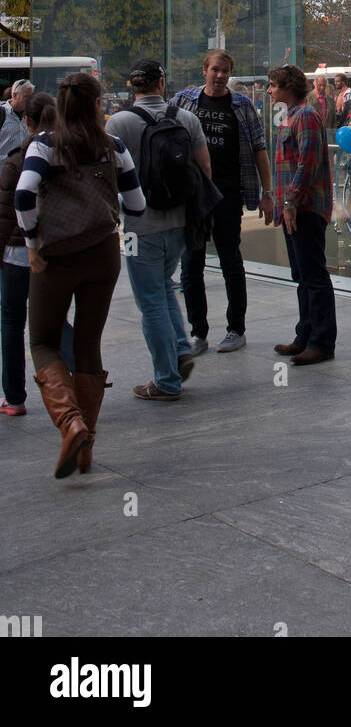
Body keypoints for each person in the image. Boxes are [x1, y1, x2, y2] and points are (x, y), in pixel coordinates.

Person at [14, 74, 146, 477]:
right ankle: (85, 444)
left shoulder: (45, 144)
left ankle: (70, 423)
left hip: (55, 257)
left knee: (42, 340)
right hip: (102, 254)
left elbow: (23, 195)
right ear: (96, 104)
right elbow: (137, 204)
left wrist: (33, 241)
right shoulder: (113, 146)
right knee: (88, 343)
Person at [106, 59, 213, 400]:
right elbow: (204, 170)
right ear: (161, 83)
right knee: (165, 286)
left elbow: (109, 177)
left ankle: (166, 380)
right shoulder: (186, 119)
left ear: (133, 86)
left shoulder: (119, 123)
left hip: (139, 228)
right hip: (180, 223)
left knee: (149, 299)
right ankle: (181, 349)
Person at [171, 49, 274, 354]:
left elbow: (259, 149)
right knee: (191, 264)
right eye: (215, 69)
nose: (220, 75)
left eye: (226, 71)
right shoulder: (184, 101)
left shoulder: (241, 106)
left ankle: (236, 328)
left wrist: (267, 194)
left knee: (231, 261)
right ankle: (198, 332)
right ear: (204, 70)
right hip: (193, 196)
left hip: (228, 195)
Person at [0, 93, 65, 416]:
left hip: (17, 253)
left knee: (12, 323)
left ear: (27, 121)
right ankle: (83, 374)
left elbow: (7, 211)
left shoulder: (16, 161)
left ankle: (14, 397)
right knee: (55, 318)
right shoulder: (66, 155)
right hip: (58, 248)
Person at [268, 64, 336, 364]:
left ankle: (321, 342)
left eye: (273, 85)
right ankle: (306, 336)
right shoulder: (292, 117)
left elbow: (306, 165)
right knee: (303, 276)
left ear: (288, 87)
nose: (269, 91)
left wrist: (292, 202)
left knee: (313, 275)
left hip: (305, 210)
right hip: (294, 209)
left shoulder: (305, 116)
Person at [0, 79, 34, 165]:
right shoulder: (2, 113)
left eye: (32, 96)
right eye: (27, 96)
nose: (30, 100)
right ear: (15, 95)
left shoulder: (31, 115)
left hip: (22, 172)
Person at [307, 74, 337, 140]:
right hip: (313, 136)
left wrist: (333, 135)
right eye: (319, 85)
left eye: (324, 85)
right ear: (314, 84)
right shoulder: (307, 99)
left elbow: (334, 120)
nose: (322, 87)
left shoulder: (330, 100)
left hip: (328, 137)